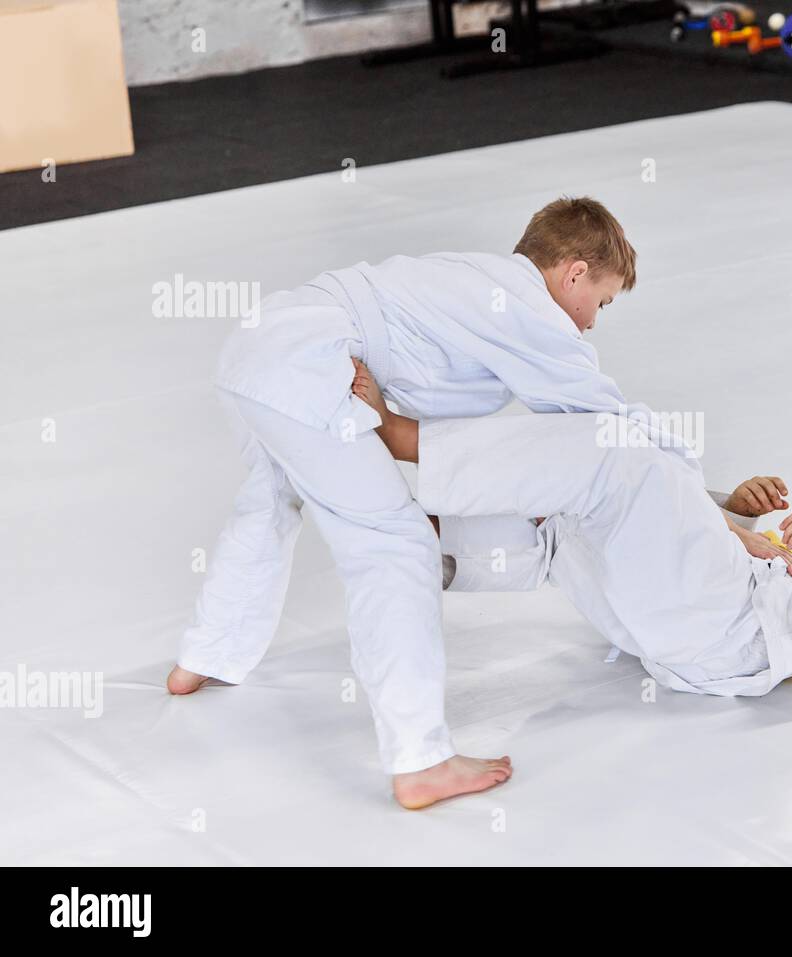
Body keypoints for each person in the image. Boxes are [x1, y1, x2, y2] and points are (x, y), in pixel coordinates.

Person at [170, 197, 698, 809]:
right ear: (574, 272)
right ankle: (420, 760)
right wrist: (694, 488)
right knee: (396, 544)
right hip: (314, 361)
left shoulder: (476, 278)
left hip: (258, 348)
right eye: (600, 302)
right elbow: (608, 426)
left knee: (268, 502)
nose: (591, 323)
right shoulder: (532, 311)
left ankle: (204, 658)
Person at [353, 364, 792, 697]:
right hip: (690, 622)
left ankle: (409, 441)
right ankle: (422, 540)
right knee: (565, 518)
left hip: (733, 629)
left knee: (624, 450)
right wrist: (738, 510)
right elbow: (712, 535)